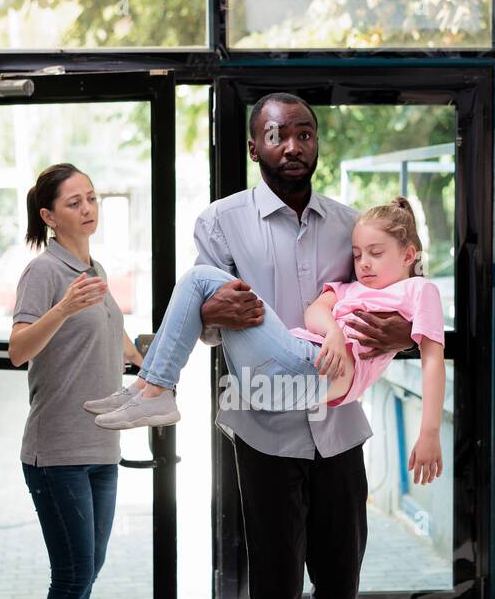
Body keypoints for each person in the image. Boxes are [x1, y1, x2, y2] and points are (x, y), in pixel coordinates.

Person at [104, 92, 417, 599]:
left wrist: (400, 333)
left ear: (316, 143)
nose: (293, 145)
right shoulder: (221, 221)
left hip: (337, 427)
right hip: (264, 429)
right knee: (276, 597)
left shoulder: (348, 223)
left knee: (340, 582)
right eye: (278, 135)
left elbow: (397, 293)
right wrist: (212, 312)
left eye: (304, 133)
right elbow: (210, 321)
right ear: (255, 146)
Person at [90, 200, 446, 488]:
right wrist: (335, 333)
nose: (364, 263)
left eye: (376, 253)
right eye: (356, 254)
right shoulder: (351, 288)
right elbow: (315, 313)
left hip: (317, 372)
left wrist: (429, 433)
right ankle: (147, 387)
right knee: (210, 289)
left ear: (408, 254)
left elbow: (433, 360)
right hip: (278, 384)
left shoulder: (418, 290)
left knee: (200, 278)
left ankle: (153, 389)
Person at [8, 163, 144, 599]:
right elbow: (18, 350)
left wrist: (149, 356)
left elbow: (113, 345)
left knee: (88, 569)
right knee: (73, 574)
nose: (87, 209)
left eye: (92, 198)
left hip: (100, 444)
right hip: (55, 450)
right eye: (73, 202)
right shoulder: (44, 271)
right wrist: (62, 307)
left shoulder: (96, 268)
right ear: (48, 215)